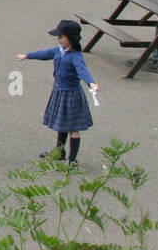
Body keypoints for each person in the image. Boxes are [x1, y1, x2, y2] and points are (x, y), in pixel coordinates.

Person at [17, 19, 98, 166]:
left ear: (70, 39)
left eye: (61, 36)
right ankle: (59, 151)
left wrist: (90, 82)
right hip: (60, 92)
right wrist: (28, 55)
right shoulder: (59, 51)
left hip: (72, 95)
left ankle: (72, 160)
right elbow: (46, 53)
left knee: (73, 128)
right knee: (62, 124)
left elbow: (83, 70)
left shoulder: (76, 56)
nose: (58, 39)